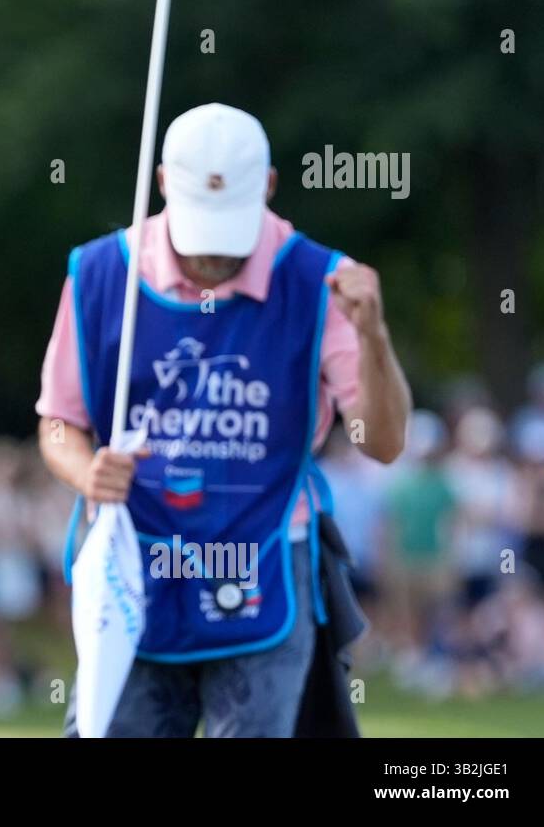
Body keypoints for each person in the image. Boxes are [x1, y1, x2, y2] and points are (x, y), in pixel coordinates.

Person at [37, 103, 411, 736]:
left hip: (265, 558)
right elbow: (57, 422)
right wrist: (85, 471)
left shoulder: (322, 281)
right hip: (135, 566)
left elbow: (382, 444)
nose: (211, 260)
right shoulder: (100, 275)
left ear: (268, 186)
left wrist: (374, 339)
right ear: (161, 185)